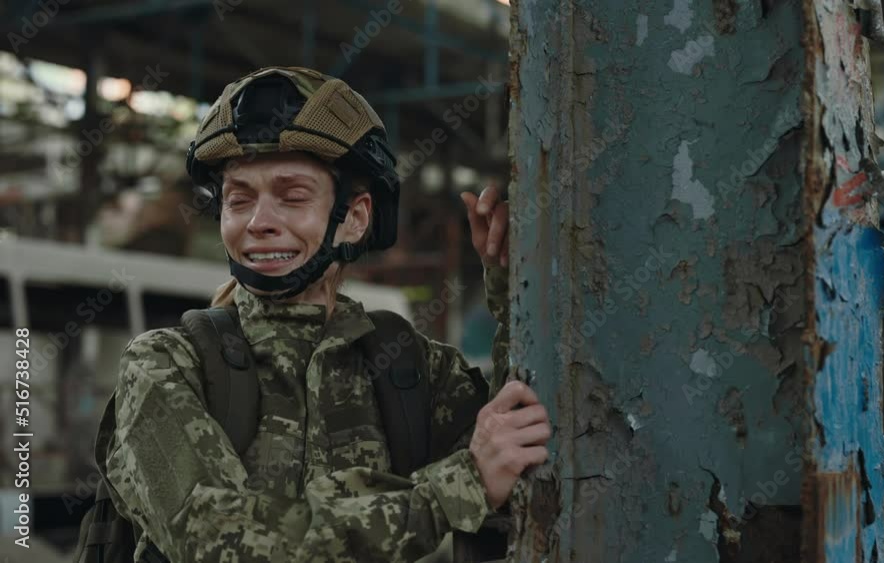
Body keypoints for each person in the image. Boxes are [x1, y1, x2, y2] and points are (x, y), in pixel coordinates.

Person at [95, 66, 552, 562]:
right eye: (238, 199)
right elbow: (218, 540)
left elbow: (525, 448)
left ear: (354, 219)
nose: (259, 222)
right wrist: (454, 489)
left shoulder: (411, 370)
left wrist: (514, 289)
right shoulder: (167, 365)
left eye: (292, 197)